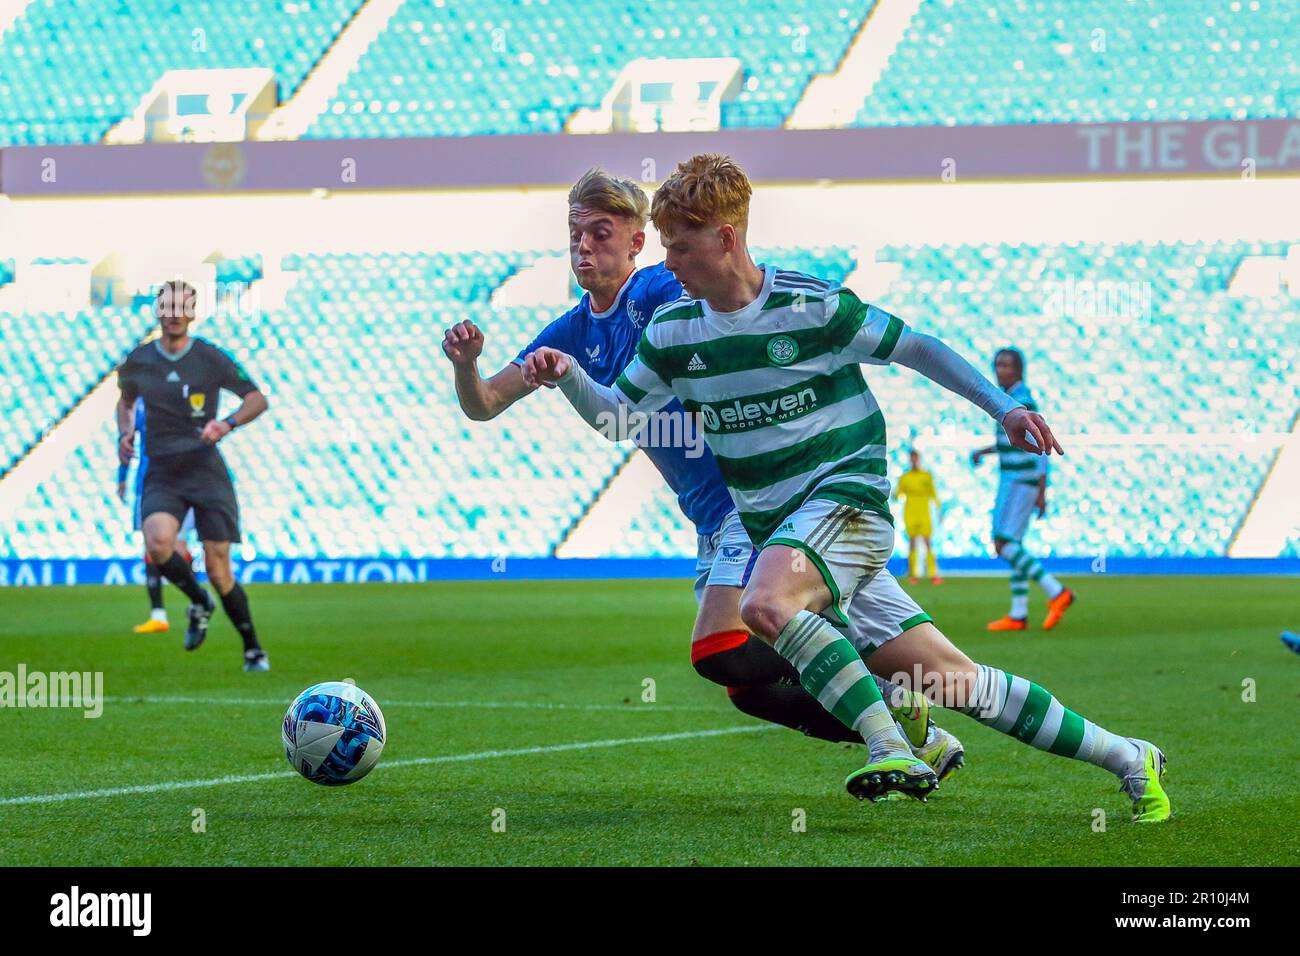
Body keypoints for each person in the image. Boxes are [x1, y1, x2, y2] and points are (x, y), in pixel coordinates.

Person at [526, 153, 1170, 821]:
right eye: (665, 248)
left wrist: (1001, 409)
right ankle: (1128, 756)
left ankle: (889, 745)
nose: (670, 265)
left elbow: (916, 346)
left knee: (766, 604)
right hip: (783, 529)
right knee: (956, 682)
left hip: (845, 505)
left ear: (726, 238)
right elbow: (615, 417)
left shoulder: (810, 305)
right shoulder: (671, 330)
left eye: (680, 248)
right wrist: (569, 374)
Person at [444, 167, 963, 781]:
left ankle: (888, 716)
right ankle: (906, 725)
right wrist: (467, 365)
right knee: (748, 685)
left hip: (759, 502)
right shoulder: (571, 334)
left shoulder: (666, 289)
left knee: (721, 645)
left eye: (601, 233)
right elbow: (485, 403)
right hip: (712, 520)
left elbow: (733, 298)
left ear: (639, 242)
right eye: (576, 234)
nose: (584, 246)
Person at [115, 280, 271, 672]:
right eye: (165, 305)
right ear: (157, 310)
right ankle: (198, 602)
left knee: (219, 568)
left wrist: (226, 424)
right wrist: (125, 432)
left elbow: (257, 399)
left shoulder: (210, 358)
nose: (172, 312)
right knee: (158, 541)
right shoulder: (138, 360)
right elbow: (126, 401)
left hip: (204, 469)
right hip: (162, 470)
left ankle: (252, 647)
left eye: (180, 305)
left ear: (192, 311)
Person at [971, 347, 1075, 631]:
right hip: (1017, 480)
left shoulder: (1022, 400)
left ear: (1018, 369)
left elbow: (1040, 444)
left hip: (1019, 482)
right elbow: (1014, 441)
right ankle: (1018, 614)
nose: (1000, 370)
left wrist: (1042, 490)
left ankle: (1056, 592)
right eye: (997, 365)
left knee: (1003, 543)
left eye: (1005, 365)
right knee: (1012, 544)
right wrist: (987, 450)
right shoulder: (1013, 399)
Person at [118, 395, 195, 633]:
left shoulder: (178, 391)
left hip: (182, 482)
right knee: (151, 549)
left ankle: (198, 602)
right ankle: (159, 614)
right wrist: (122, 476)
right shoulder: (131, 404)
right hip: (148, 484)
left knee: (178, 550)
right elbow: (125, 442)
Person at [894, 449, 942, 584]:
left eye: (915, 458)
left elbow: (934, 493)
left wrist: (939, 509)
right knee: (913, 544)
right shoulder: (905, 478)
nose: (914, 460)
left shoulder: (926, 476)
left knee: (928, 543)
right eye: (912, 458)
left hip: (924, 513)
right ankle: (913, 574)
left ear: (918, 459)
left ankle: (933, 574)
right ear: (910, 460)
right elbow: (897, 495)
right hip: (910, 514)